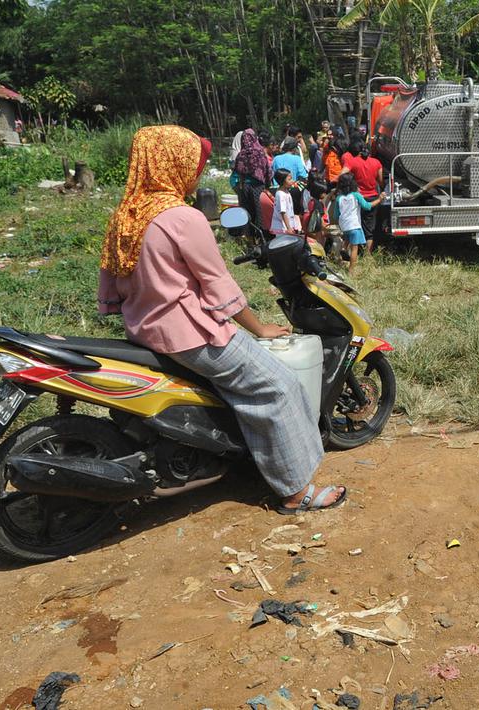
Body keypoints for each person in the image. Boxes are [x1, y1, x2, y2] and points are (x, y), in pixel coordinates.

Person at [98, 125, 344, 514]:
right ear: (173, 164)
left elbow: (110, 281)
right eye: (193, 162)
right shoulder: (181, 218)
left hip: (142, 329)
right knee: (277, 386)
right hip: (190, 333)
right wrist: (260, 328)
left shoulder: (125, 216)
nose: (197, 173)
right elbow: (217, 285)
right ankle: (296, 492)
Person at [332, 173, 382, 274]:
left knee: (347, 240)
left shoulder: (339, 198)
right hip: (354, 225)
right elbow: (367, 206)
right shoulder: (356, 195)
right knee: (354, 248)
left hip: (344, 226)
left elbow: (336, 215)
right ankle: (351, 271)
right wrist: (379, 199)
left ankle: (342, 254)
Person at [342, 141, 384, 254]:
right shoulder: (377, 163)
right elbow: (380, 181)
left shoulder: (352, 162)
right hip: (373, 199)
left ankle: (350, 251)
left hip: (356, 199)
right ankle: (368, 255)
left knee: (354, 225)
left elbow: (342, 174)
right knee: (369, 228)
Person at [232, 129, 273, 240]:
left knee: (247, 211)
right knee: (259, 212)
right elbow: (267, 170)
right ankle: (261, 238)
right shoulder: (259, 152)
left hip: (245, 186)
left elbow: (236, 170)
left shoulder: (241, 154)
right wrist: (268, 185)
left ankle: (249, 238)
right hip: (258, 187)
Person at [270, 168, 301, 236]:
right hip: (282, 227)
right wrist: (289, 228)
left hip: (286, 226)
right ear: (282, 181)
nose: (292, 181)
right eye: (289, 179)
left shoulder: (286, 192)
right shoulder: (281, 195)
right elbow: (283, 212)